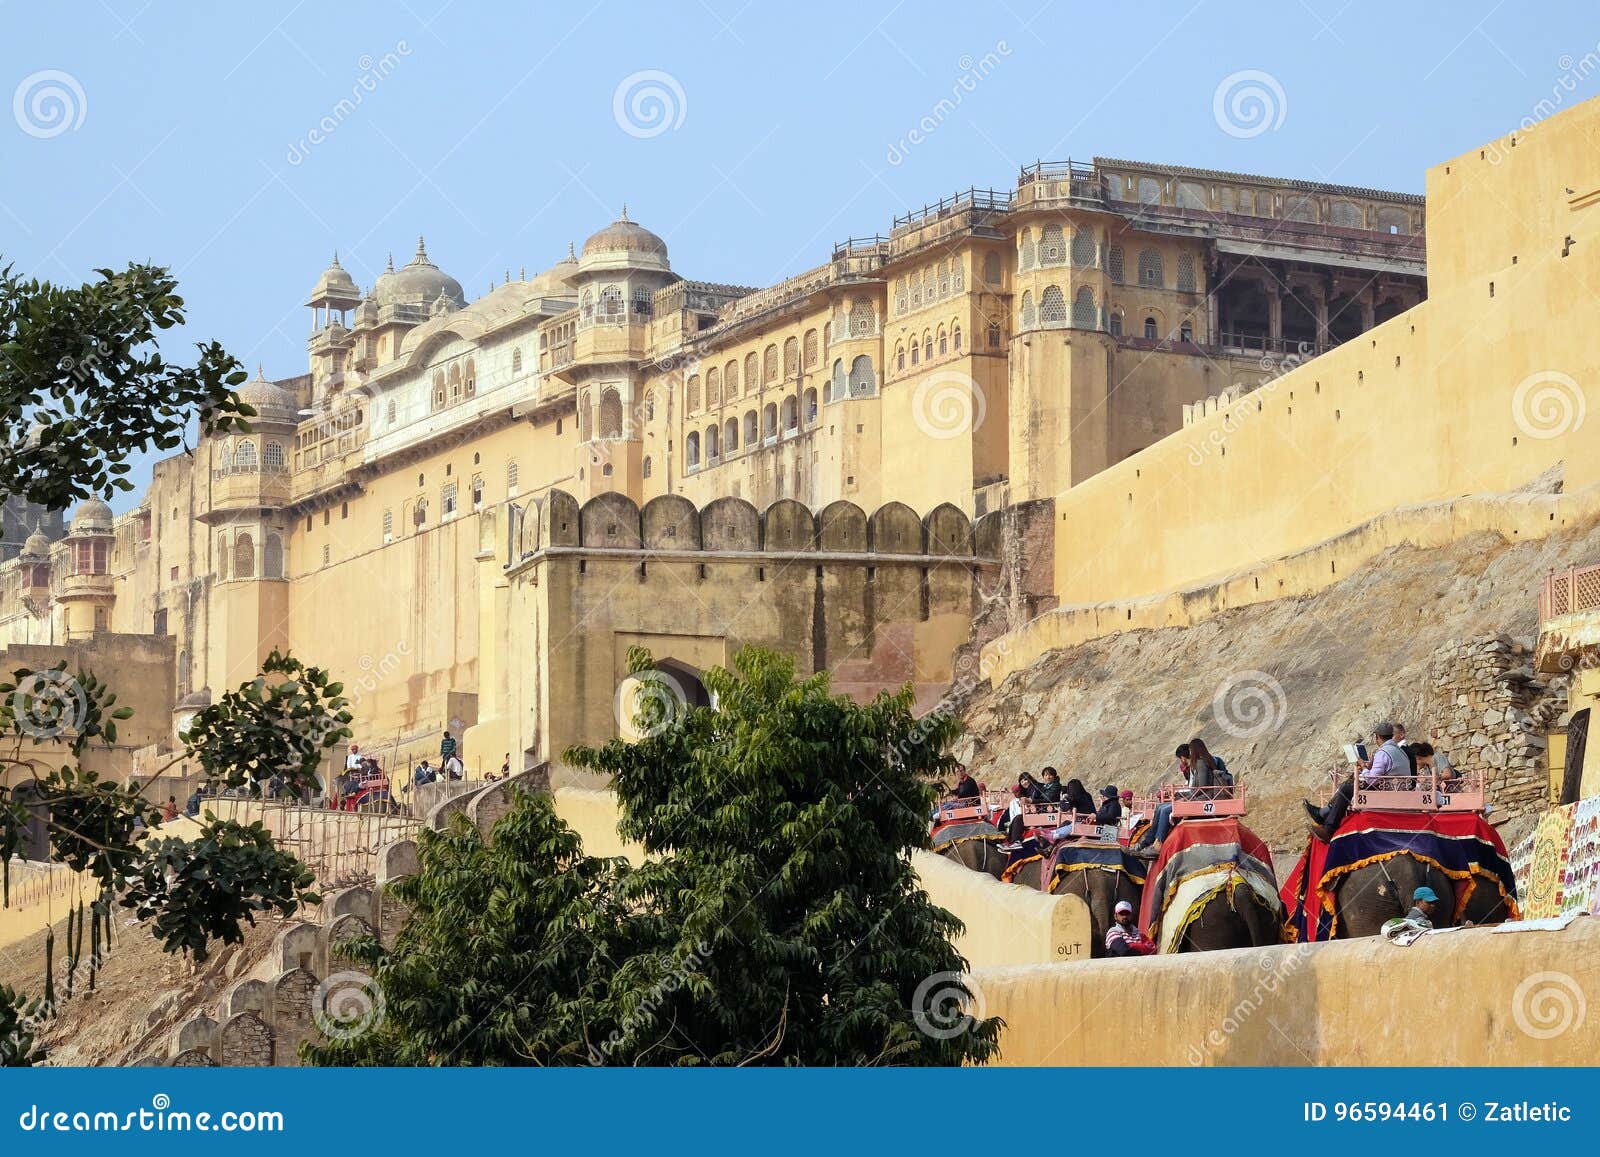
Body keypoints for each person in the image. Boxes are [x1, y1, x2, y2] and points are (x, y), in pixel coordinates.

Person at [1306, 722, 1412, 840]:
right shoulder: (1400, 751)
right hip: (1398, 790)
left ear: (1377, 737)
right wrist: (1369, 767)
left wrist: (1363, 767)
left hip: (1387, 792)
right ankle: (1324, 813)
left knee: (1347, 788)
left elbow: (1371, 780)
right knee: (1351, 783)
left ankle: (1328, 828)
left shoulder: (1383, 753)